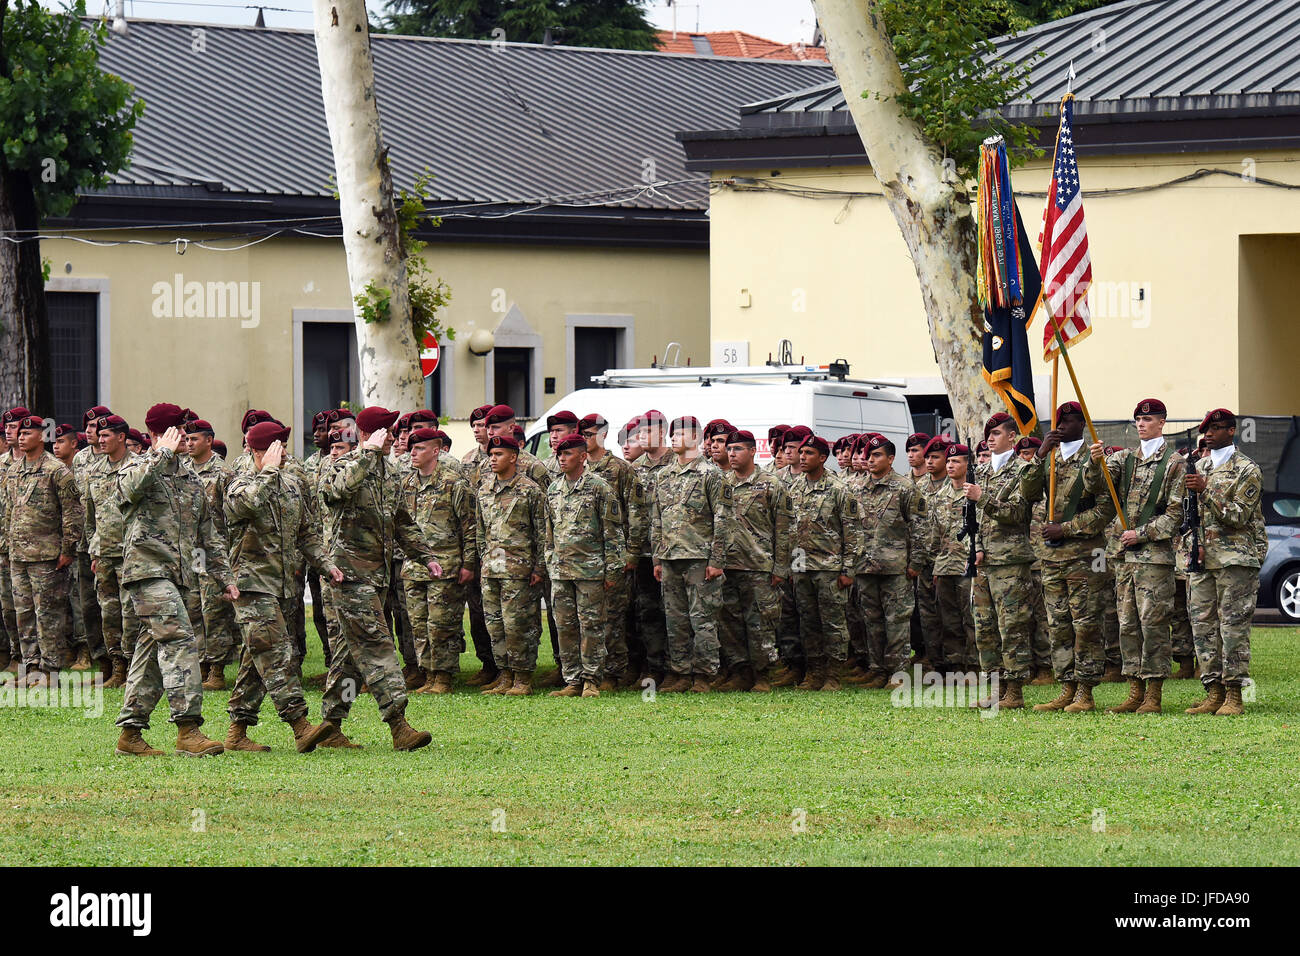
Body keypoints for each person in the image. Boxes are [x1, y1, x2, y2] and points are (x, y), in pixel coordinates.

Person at [304, 406, 438, 752]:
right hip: (347, 574)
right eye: (387, 430)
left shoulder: (389, 473)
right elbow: (336, 492)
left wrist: (426, 556)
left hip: (375, 576)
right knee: (379, 646)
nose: (394, 436)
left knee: (350, 656)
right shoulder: (341, 465)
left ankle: (331, 723)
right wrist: (365, 454)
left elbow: (402, 521)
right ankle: (399, 724)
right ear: (368, 434)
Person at [113, 404, 237, 758]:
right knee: (181, 640)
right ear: (157, 434)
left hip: (178, 576)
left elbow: (208, 534)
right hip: (148, 572)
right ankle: (188, 729)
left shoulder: (190, 478)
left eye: (187, 430)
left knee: (151, 653)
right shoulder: (137, 466)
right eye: (178, 430)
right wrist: (160, 453)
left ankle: (131, 734)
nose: (186, 435)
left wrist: (224, 576)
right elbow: (127, 491)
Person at [222, 422, 341, 752]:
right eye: (276, 448)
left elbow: (306, 534)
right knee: (277, 655)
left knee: (255, 660)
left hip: (286, 586)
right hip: (252, 584)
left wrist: (326, 564)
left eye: (284, 447)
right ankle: (300, 725)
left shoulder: (292, 484)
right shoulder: (239, 483)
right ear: (257, 452)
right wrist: (269, 473)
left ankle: (236, 732)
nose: (284, 453)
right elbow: (245, 507)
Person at [1086, 399, 1186, 714]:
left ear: (1162, 422)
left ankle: (1153, 694)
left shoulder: (1173, 463)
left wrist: (1141, 534)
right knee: (1128, 624)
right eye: (1138, 420)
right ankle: (1134, 690)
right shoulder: (1125, 459)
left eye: (1148, 419)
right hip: (1125, 559)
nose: (1141, 424)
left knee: (1153, 624)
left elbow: (1176, 513)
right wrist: (1094, 462)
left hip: (1154, 558)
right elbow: (1095, 486)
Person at [1021, 402, 1116, 713]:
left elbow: (1105, 509)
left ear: (1082, 425)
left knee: (1086, 622)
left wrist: (1066, 528)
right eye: (1059, 419)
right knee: (1058, 623)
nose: (1062, 425)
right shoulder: (1049, 457)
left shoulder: (1095, 458)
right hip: (1052, 557)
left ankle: (1086, 692)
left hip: (1086, 555)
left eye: (1071, 420)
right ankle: (1066, 686)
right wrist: (1038, 455)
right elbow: (1027, 491)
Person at [1183, 408, 1266, 716]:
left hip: (1235, 560)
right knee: (1203, 628)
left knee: (1232, 629)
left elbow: (1238, 515)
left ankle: (1234, 695)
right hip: (1203, 561)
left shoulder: (1247, 469)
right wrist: (1195, 546)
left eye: (1216, 428)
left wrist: (1206, 490)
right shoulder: (1199, 465)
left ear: (1231, 431)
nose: (1209, 434)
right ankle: (1213, 692)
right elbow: (1189, 518)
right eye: (1207, 429)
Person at [651, 415, 734, 693]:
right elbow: (657, 519)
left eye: (681, 433)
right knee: (675, 620)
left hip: (700, 557)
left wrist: (717, 560)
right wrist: (657, 558)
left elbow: (723, 518)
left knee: (703, 619)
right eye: (672, 433)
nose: (674, 438)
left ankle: (705, 674)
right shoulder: (663, 475)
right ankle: (680, 672)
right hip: (670, 556)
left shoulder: (711, 474)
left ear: (696, 439)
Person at [544, 434, 624, 697]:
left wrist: (612, 570)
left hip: (591, 570)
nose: (561, 459)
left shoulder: (599, 487)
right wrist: (550, 560)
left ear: (581, 456)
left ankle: (591, 679)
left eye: (567, 454)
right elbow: (549, 532)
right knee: (565, 626)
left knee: (591, 626)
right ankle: (573, 679)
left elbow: (613, 533)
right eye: (559, 454)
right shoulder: (554, 489)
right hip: (561, 571)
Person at [966, 413, 1036, 709]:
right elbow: (973, 520)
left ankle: (1015, 690)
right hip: (983, 561)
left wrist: (983, 498)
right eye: (988, 434)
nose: (990, 439)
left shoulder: (1025, 471)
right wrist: (977, 547)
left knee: (1012, 626)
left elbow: (1017, 514)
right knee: (985, 627)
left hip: (1010, 561)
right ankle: (995, 687)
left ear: (1012, 437)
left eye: (996, 433)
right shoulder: (979, 472)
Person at [401, 427, 477, 695]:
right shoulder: (407, 484)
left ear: (436, 451)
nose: (413, 453)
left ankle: (443, 676)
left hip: (446, 566)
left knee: (442, 625)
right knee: (419, 625)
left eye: (419, 448)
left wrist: (469, 564)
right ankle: (428, 674)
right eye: (412, 448)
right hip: (414, 568)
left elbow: (470, 527)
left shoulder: (454, 483)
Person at [9, 416, 83, 685]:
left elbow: (73, 513)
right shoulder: (14, 470)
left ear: (42, 436)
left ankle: (50, 669)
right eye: (20, 433)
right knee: (24, 613)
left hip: (47, 555)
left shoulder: (56, 470)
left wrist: (68, 549)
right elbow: (9, 512)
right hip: (18, 554)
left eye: (27, 433)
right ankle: (30, 668)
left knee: (49, 614)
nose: (21, 437)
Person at [788, 434, 862, 691]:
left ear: (822, 457)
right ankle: (814, 672)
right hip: (802, 566)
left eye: (808, 453)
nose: (802, 458)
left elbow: (852, 531)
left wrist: (848, 569)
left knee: (833, 623)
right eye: (801, 453)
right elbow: (789, 529)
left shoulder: (839, 488)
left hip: (830, 568)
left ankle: (834, 674)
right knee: (808, 622)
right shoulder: (795, 487)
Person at [475, 434, 547, 695]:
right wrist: (483, 559)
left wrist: (539, 568)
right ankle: (504, 676)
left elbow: (542, 532)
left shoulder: (529, 490)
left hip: (519, 571)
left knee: (519, 625)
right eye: (491, 455)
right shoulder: (484, 489)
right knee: (495, 625)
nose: (493, 459)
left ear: (514, 457)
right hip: (491, 570)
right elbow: (479, 531)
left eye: (499, 455)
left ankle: (523, 679)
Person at [721, 430, 792, 692]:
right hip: (727, 565)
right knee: (730, 623)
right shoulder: (721, 483)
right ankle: (740, 672)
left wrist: (780, 567)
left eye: (737, 449)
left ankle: (764, 674)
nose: (732, 454)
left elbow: (784, 529)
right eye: (730, 449)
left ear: (752, 451)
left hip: (759, 565)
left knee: (761, 622)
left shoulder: (771, 484)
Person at [856, 434, 925, 689]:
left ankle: (898, 673)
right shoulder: (858, 487)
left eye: (877, 455)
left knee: (896, 621)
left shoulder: (905, 487)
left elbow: (920, 527)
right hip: (865, 566)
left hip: (896, 567)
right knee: (871, 620)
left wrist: (916, 562)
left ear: (891, 458)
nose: (870, 460)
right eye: (869, 455)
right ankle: (876, 670)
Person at [581, 413, 643, 690]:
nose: (585, 438)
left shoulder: (620, 469)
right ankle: (588, 671)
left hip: (613, 554)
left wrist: (631, 553)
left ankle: (614, 672)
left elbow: (636, 511)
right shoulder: (576, 467)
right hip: (581, 556)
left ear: (604, 434)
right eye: (582, 433)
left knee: (613, 616)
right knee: (586, 619)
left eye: (591, 433)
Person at [184, 418, 241, 690]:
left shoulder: (223, 473)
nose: (189, 443)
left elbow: (233, 516)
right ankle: (201, 665)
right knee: (192, 609)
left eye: (194, 438)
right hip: (188, 551)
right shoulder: (181, 470)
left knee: (214, 611)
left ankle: (217, 669)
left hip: (213, 551)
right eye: (187, 438)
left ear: (209, 440)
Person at [85, 414, 137, 688]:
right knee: (109, 613)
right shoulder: (95, 470)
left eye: (107, 435)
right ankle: (117, 668)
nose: (101, 440)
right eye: (99, 435)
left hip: (132, 552)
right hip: (104, 551)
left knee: (132, 614)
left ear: (121, 437)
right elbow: (90, 515)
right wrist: (93, 550)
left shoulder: (137, 467)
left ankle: (134, 668)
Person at [632, 410, 673, 683]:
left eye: (646, 431)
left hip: (672, 552)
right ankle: (654, 667)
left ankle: (678, 669)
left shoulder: (676, 464)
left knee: (675, 611)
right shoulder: (635, 469)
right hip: (644, 553)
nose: (639, 437)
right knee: (647, 611)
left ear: (661, 432)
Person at [931, 443, 977, 676]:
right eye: (948, 461)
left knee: (971, 617)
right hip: (946, 565)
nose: (950, 465)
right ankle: (955, 664)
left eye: (956, 461)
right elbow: (934, 533)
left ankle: (974, 666)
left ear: (968, 465)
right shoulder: (940, 496)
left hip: (968, 565)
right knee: (948, 620)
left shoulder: (975, 493)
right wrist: (936, 565)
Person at [1017, 435, 1055, 684]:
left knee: (1043, 616)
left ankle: (1044, 667)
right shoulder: (1018, 491)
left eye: (1031, 454)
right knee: (1021, 616)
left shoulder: (1048, 492)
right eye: (1022, 455)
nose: (1026, 459)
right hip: (1020, 560)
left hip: (1042, 561)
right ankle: (1026, 664)